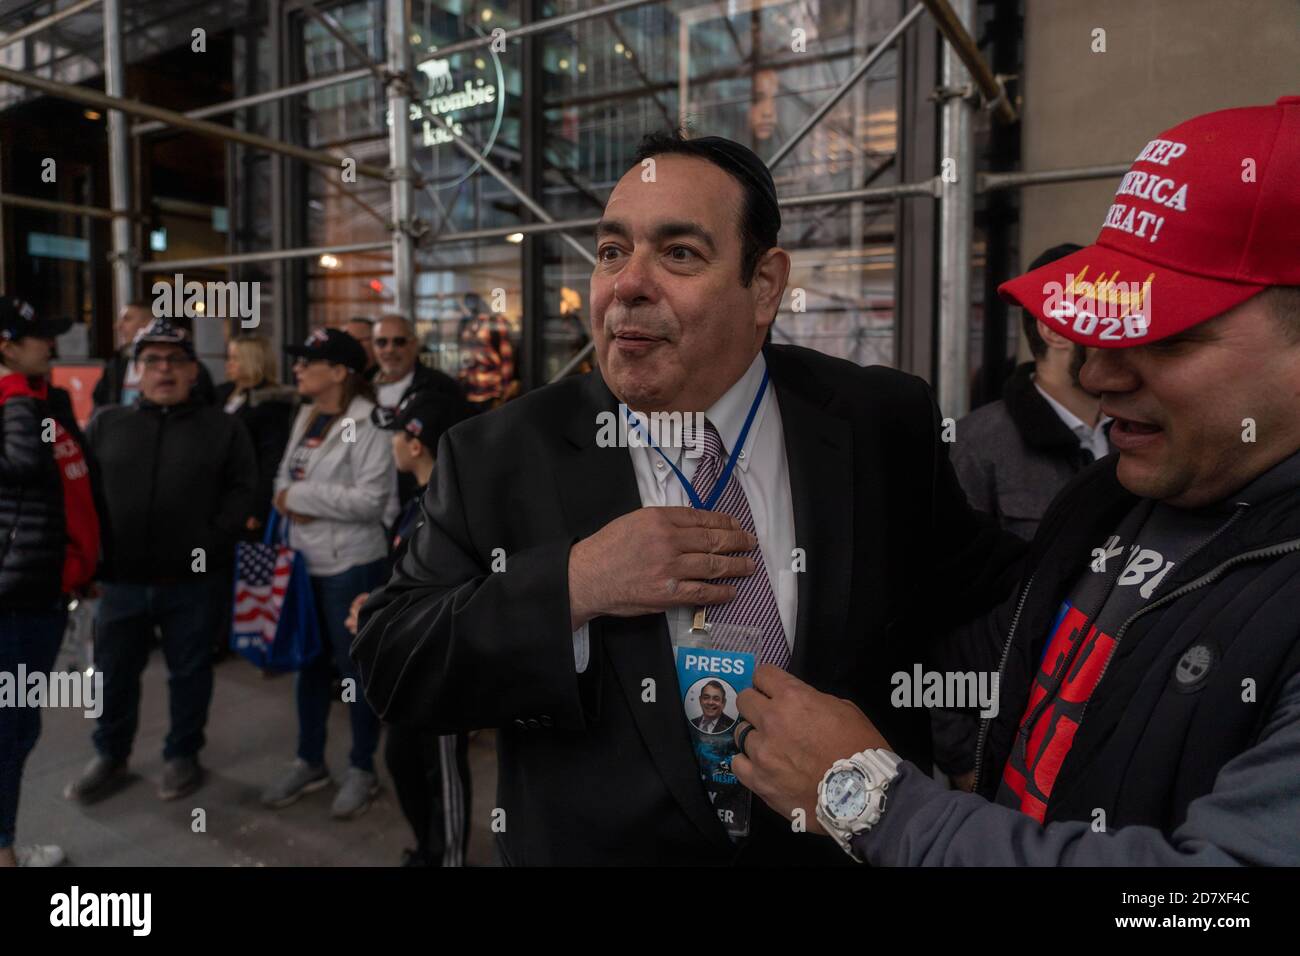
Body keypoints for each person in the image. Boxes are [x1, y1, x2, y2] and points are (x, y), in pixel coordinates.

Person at [353, 131, 1021, 865]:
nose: (626, 285)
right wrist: (575, 585)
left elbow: (986, 597)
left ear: (764, 284)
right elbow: (394, 663)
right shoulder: (498, 455)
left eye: (678, 253)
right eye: (612, 251)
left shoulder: (877, 420)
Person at [732, 98, 1300, 867]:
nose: (1097, 373)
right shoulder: (1110, 499)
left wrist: (870, 798)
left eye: (1163, 334)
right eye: (1104, 326)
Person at [937, 242, 1112, 789]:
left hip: (1106, 736)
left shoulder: (1143, 439)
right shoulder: (977, 446)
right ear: (1054, 329)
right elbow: (932, 616)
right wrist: (966, 758)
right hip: (1013, 748)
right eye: (1105, 315)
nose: (1123, 332)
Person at [67, 318, 255, 804]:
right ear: (137, 371)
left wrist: (210, 544)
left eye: (175, 360)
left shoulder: (223, 427)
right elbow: (81, 496)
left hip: (192, 582)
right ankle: (110, 754)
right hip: (119, 581)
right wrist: (89, 562)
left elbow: (244, 494)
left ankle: (182, 754)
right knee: (113, 673)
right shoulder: (108, 423)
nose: (164, 369)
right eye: (152, 360)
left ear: (194, 370)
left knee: (190, 673)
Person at [260, 328, 398, 820]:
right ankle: (309, 760)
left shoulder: (370, 423)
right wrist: (290, 496)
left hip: (350, 565)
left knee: (355, 673)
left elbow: (370, 502)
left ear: (339, 371)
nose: (297, 368)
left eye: (308, 361)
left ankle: (362, 767)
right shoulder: (307, 414)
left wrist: (296, 500)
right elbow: (281, 477)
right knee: (310, 666)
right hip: (303, 562)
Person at [346, 389, 472, 866]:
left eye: (398, 433)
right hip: (409, 664)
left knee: (444, 773)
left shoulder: (449, 510)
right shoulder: (420, 501)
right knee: (401, 760)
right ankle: (427, 850)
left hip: (438, 669)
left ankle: (450, 859)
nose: (392, 443)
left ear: (416, 444)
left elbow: (452, 596)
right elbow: (407, 578)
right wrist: (374, 603)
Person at [0, 298, 98, 867]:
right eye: (38, 337)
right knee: (11, 730)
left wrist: (86, 564)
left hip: (42, 587)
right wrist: (13, 392)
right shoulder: (17, 400)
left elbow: (74, 487)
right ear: (7, 345)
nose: (52, 346)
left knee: (19, 726)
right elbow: (21, 464)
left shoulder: (44, 399)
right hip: (15, 597)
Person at [952, 243, 1110, 541]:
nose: (1122, 341)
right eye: (1104, 324)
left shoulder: (1139, 434)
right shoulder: (975, 446)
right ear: (1054, 330)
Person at [371, 313, 468, 506]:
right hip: (372, 507)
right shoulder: (363, 389)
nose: (390, 349)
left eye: (399, 342)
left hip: (421, 503)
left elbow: (459, 447)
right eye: (382, 342)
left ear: (414, 344)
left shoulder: (440, 387)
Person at [215, 335, 297, 537]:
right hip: (220, 493)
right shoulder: (222, 393)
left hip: (247, 494)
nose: (228, 364)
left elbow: (271, 459)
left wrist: (257, 508)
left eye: (234, 358)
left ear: (251, 361)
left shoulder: (271, 403)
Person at [93, 302, 214, 408]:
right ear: (137, 368)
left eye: (127, 319)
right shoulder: (116, 365)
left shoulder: (193, 368)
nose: (118, 326)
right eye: (151, 360)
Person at [456, 295, 516, 412]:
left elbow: (506, 357)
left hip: (491, 390)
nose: (470, 306)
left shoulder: (495, 322)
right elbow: (463, 355)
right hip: (469, 390)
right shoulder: (467, 323)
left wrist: (504, 389)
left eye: (473, 302)